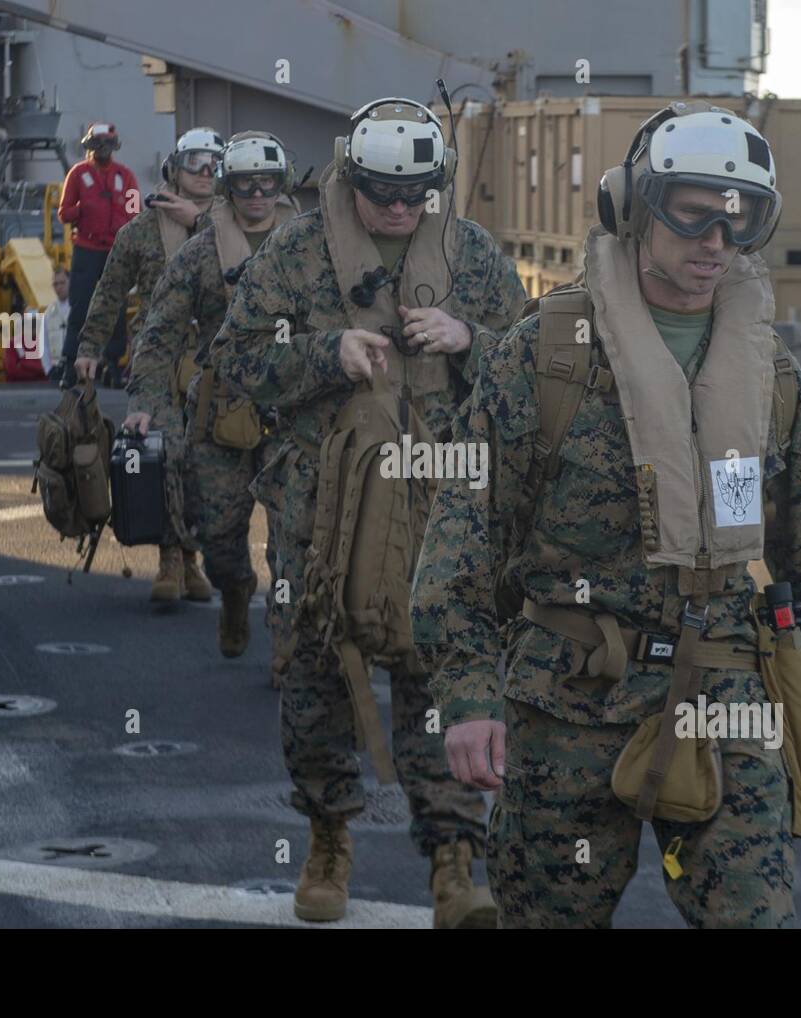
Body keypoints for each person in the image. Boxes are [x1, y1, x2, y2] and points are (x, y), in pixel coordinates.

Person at [411, 102, 801, 929]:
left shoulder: (774, 381)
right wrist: (468, 693)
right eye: (692, 213)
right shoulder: (545, 353)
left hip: (730, 689)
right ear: (633, 207)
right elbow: (463, 532)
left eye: (740, 221)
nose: (715, 243)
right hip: (570, 697)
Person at [214, 97, 527, 927]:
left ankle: (456, 860)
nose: (397, 208)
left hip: (441, 507)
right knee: (316, 674)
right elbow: (236, 356)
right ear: (351, 178)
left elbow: (533, 364)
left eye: (413, 194)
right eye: (383, 193)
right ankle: (327, 837)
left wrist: (469, 339)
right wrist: (326, 353)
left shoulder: (471, 256)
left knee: (444, 679)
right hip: (320, 511)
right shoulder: (295, 250)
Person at [121, 130, 300, 657]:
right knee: (220, 539)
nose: (258, 195)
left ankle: (287, 649)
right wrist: (145, 407)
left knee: (294, 546)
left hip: (295, 416)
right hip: (222, 414)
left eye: (267, 184)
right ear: (229, 188)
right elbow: (157, 333)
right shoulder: (201, 254)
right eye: (245, 185)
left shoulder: (312, 249)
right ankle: (236, 592)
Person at [74, 127, 226, 603]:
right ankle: (169, 558)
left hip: (211, 361)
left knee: (203, 464)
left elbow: (255, 267)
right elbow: (110, 291)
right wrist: (89, 348)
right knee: (163, 457)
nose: (206, 171)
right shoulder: (140, 231)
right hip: (157, 361)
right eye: (197, 160)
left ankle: (191, 556)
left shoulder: (232, 228)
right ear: (174, 169)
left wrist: (201, 221)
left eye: (215, 162)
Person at [57, 122, 139, 388]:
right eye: (98, 144)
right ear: (89, 146)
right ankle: (70, 363)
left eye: (107, 144)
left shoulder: (125, 176)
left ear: (114, 146)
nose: (102, 150)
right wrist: (83, 208)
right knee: (80, 307)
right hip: (86, 250)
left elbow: (135, 212)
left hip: (115, 252)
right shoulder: (78, 174)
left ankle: (112, 364)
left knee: (116, 308)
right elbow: (64, 212)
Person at [43, 268, 72, 383]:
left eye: (62, 283)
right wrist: (48, 369)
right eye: (55, 284)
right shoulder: (48, 313)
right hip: (56, 371)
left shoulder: (79, 308)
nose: (59, 287)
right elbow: (43, 344)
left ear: (70, 282)